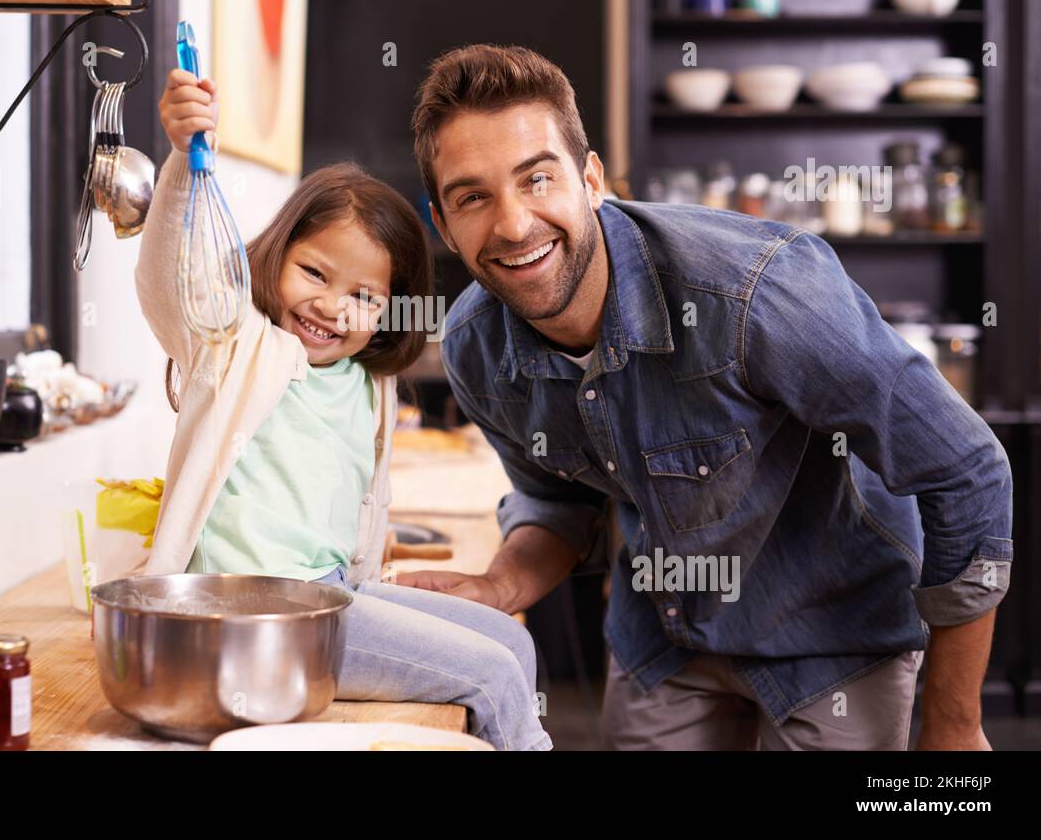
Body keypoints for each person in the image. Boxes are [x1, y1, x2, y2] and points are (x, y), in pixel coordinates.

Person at [397, 43, 1012, 750]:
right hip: (664, 634)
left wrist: (954, 721)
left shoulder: (755, 292)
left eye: (536, 179)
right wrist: (501, 584)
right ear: (444, 225)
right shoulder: (476, 345)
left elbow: (966, 468)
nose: (511, 223)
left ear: (591, 179)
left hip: (836, 633)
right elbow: (560, 499)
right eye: (473, 197)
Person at [133, 65, 552, 750]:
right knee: (497, 676)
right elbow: (168, 278)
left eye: (364, 295)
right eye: (315, 274)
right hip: (250, 615)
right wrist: (183, 157)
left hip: (327, 597)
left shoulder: (368, 383)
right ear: (278, 253)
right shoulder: (236, 345)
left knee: (512, 641)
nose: (333, 305)